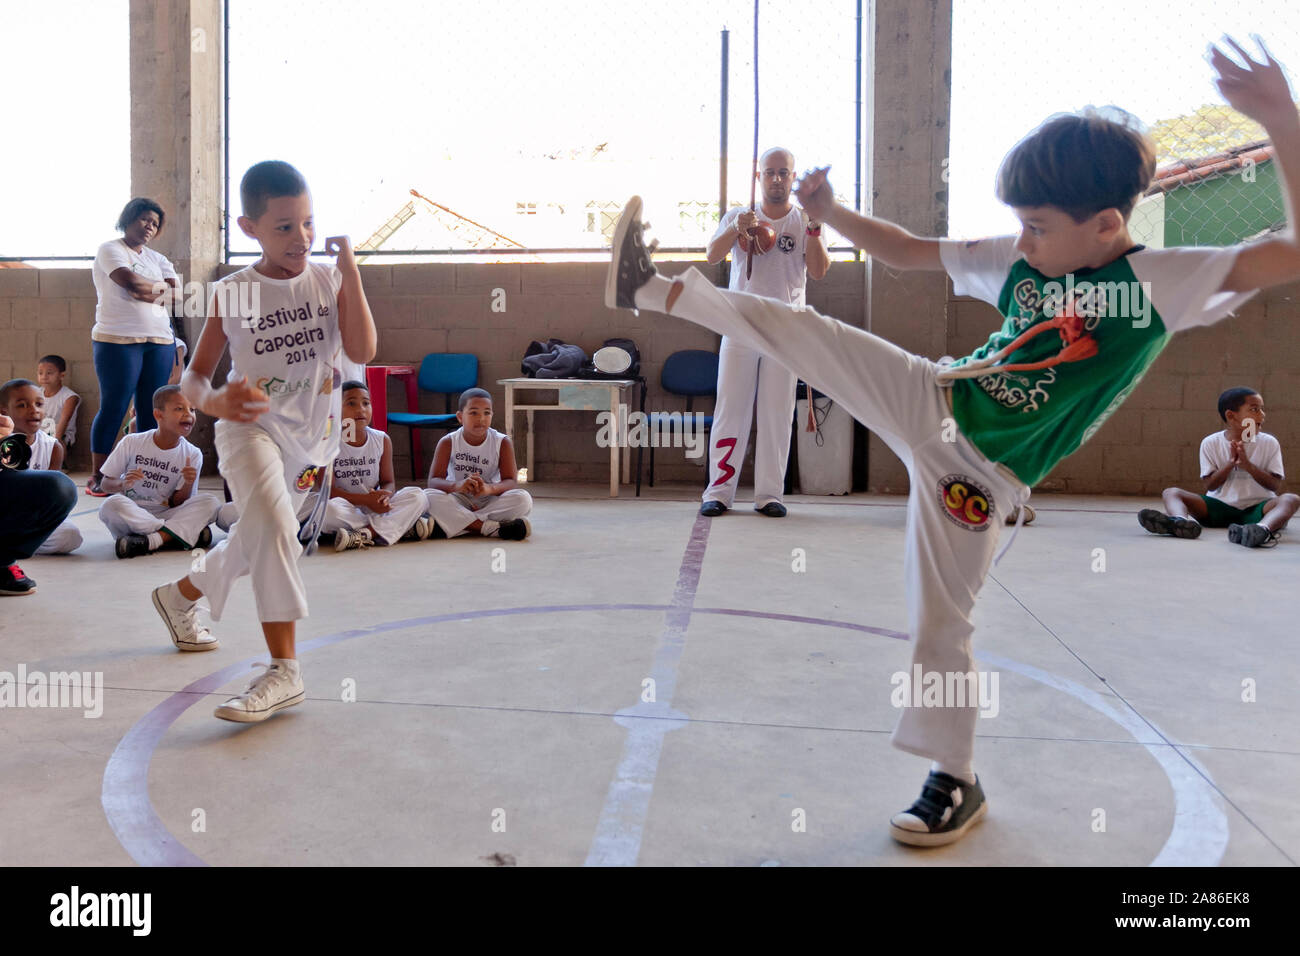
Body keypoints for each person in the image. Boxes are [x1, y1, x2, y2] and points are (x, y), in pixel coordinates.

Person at [605, 37, 1298, 846]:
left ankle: (954, 779)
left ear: (1108, 224)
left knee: (941, 626)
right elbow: (903, 252)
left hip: (982, 473)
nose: (1023, 239)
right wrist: (832, 217)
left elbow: (1288, 252)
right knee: (804, 329)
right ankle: (650, 286)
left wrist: (1281, 116)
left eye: (1037, 226)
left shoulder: (1158, 284)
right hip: (935, 393)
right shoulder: (1019, 257)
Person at [150, 160, 377, 721]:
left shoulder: (329, 279)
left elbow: (363, 351)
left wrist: (351, 267)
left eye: (307, 224)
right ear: (250, 227)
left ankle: (180, 595)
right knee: (274, 530)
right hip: (249, 431)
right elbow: (195, 377)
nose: (300, 238)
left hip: (313, 445)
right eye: (283, 227)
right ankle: (285, 671)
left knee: (259, 541)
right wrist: (214, 401)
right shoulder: (235, 292)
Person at [701, 147, 829, 519]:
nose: (776, 179)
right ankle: (719, 492)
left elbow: (819, 271)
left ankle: (769, 494)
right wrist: (733, 231)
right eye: (769, 172)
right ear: (758, 177)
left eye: (783, 173)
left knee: (776, 411)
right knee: (731, 409)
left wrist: (816, 229)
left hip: (786, 329)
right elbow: (712, 256)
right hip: (740, 324)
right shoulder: (739, 216)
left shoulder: (805, 219)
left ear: (792, 177)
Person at [88, 198, 181, 496]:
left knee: (149, 410)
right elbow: (130, 284)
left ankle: (139, 476)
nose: (149, 226)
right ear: (128, 219)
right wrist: (156, 290)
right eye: (144, 219)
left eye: (154, 223)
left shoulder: (158, 258)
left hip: (160, 342)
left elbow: (178, 296)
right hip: (117, 340)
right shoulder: (111, 249)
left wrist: (150, 289)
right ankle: (98, 476)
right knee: (114, 406)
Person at [1139, 386, 1299, 547]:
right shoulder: (1211, 443)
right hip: (1219, 506)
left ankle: (1261, 530)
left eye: (1261, 409)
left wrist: (1248, 466)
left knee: (1291, 499)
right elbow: (1210, 485)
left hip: (1258, 509)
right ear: (1231, 416)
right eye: (1254, 409)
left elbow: (1274, 485)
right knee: (1171, 492)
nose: (1262, 415)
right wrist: (1230, 464)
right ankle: (1180, 522)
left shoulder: (1269, 443)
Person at [98, 385, 221, 559]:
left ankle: (149, 541)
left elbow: (177, 503)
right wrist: (122, 484)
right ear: (158, 414)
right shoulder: (132, 442)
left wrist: (187, 483)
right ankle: (177, 534)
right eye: (179, 409)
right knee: (111, 506)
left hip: (167, 513)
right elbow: (105, 484)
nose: (188, 414)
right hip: (132, 513)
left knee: (211, 502)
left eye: (192, 409)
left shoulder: (193, 454)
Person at [325, 380, 432, 550]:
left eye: (366, 403)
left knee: (419, 496)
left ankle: (365, 534)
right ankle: (399, 526)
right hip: (345, 507)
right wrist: (366, 501)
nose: (361, 409)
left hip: (375, 507)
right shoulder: (328, 441)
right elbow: (328, 491)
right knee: (328, 510)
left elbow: (388, 481)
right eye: (351, 403)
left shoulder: (381, 439)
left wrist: (385, 497)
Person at [424, 388, 532, 540]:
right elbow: (433, 481)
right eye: (474, 413)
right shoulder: (448, 442)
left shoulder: (502, 442)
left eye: (486, 413)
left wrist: (489, 489)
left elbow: (511, 481)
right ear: (460, 417)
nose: (481, 419)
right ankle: (490, 528)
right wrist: (457, 485)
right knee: (427, 497)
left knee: (523, 499)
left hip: (489, 500)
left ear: (492, 415)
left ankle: (457, 525)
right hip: (458, 498)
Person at [0, 411, 77, 596]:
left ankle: (2, 559)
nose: (32, 410)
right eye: (22, 405)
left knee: (59, 487)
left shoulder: (50, 445)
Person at [0, 379, 82, 554]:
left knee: (70, 536)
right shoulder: (2, 444)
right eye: (22, 405)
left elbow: (51, 497)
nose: (34, 410)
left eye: (39, 404)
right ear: (3, 412)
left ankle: (15, 546)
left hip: (32, 517)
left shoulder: (53, 447)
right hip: (4, 513)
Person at [36, 354, 80, 457]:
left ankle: (56, 462)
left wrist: (55, 442)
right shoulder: (36, 393)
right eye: (40, 373)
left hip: (60, 435)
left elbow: (64, 421)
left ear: (62, 375)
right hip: (38, 433)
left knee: (48, 426)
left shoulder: (70, 397)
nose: (44, 377)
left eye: (49, 373)